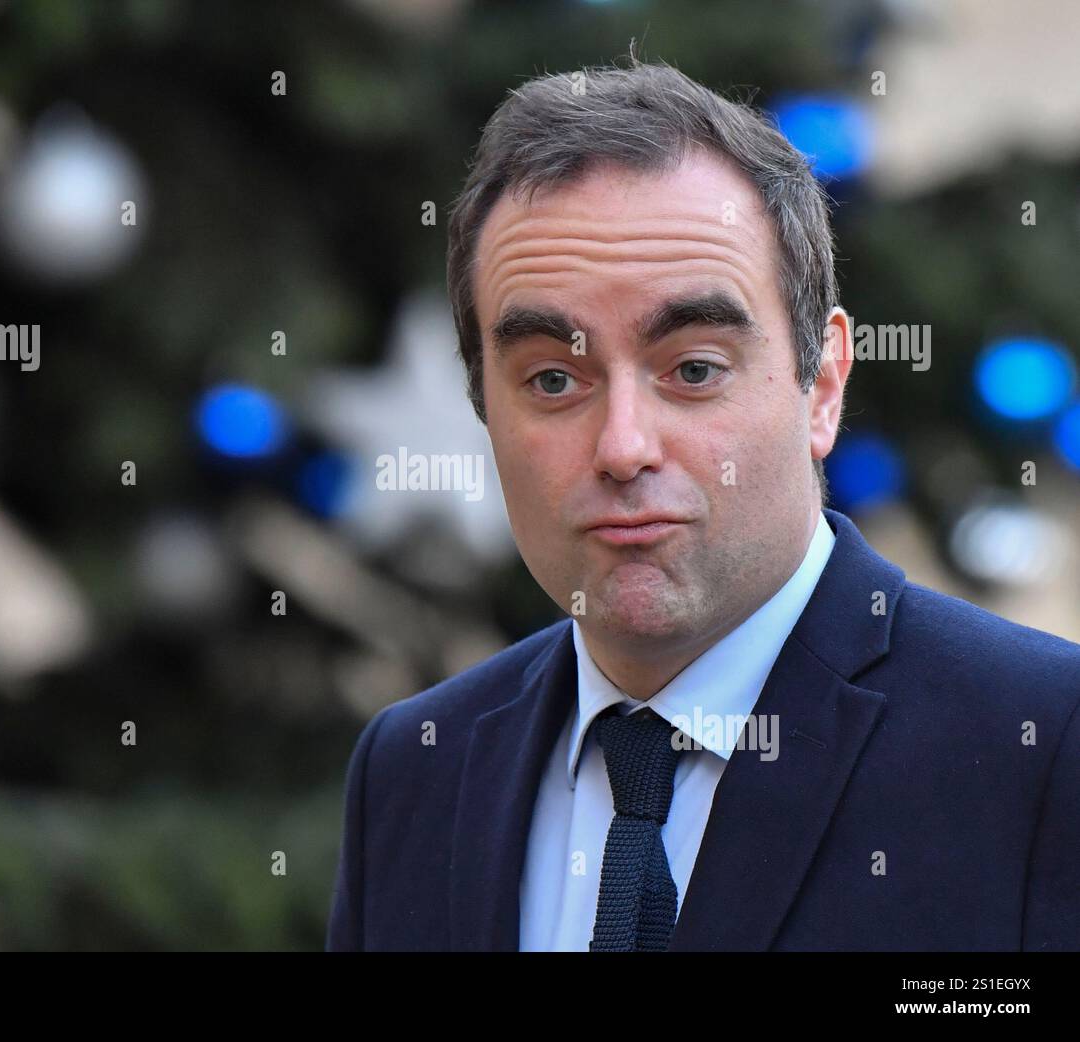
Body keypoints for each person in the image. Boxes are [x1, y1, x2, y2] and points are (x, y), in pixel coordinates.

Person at [325, 59, 1080, 952]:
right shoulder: (414, 770)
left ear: (823, 384)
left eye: (693, 369)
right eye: (555, 379)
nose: (623, 446)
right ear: (485, 404)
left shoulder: (1041, 746)